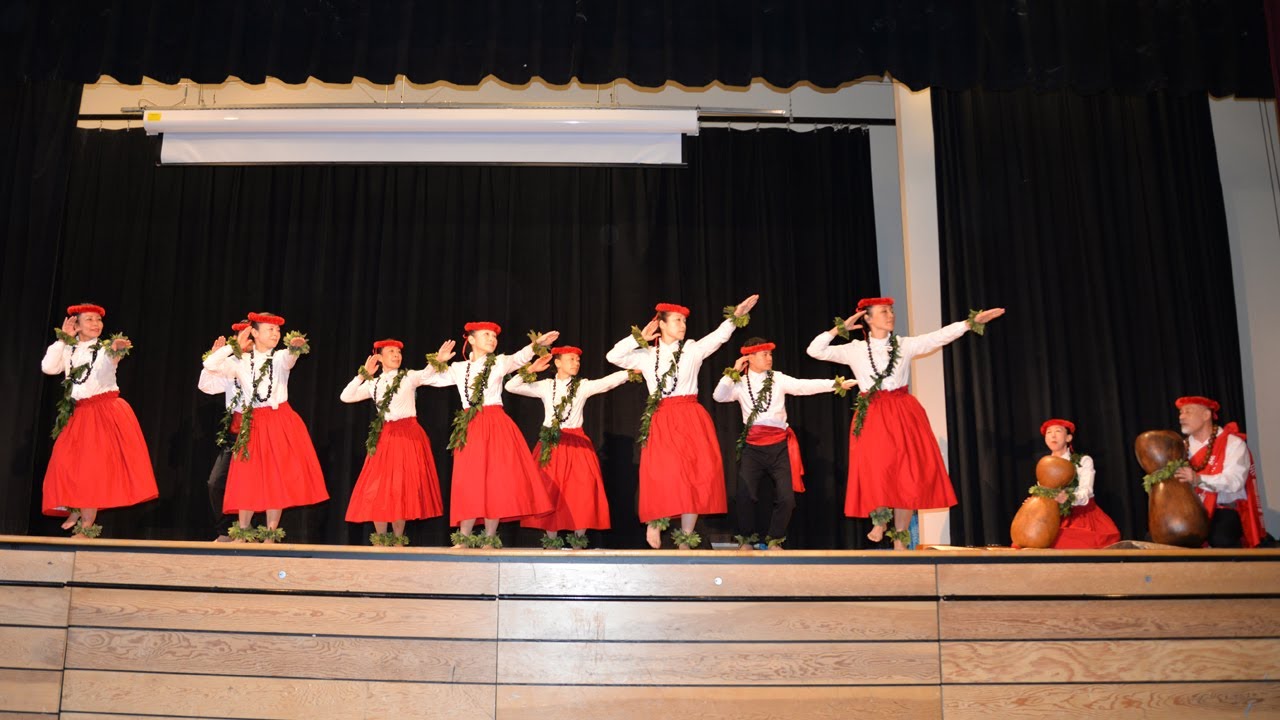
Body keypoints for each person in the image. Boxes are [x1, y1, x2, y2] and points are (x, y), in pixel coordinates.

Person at [807, 297, 1005, 549]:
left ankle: (900, 537)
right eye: (883, 312)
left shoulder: (904, 345)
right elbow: (815, 350)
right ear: (867, 318)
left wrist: (969, 323)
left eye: (891, 311)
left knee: (906, 474)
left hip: (902, 411)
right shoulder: (854, 349)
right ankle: (880, 520)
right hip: (872, 412)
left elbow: (937, 337)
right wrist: (839, 329)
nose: (890, 315)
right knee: (876, 468)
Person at [606, 295, 759, 550]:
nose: (683, 325)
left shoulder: (692, 349)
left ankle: (685, 539)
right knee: (664, 472)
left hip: (690, 415)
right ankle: (656, 520)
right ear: (661, 324)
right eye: (677, 320)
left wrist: (735, 317)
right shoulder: (646, 355)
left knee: (694, 475)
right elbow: (613, 356)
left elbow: (719, 337)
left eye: (685, 321)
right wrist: (638, 338)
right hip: (662, 416)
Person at [422, 322, 559, 548]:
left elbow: (518, 358)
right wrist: (437, 361)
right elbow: (428, 379)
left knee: (496, 479)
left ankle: (490, 538)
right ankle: (463, 537)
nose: (492, 339)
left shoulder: (499, 362)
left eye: (494, 336)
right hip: (469, 426)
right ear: (471, 339)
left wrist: (537, 344)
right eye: (486, 335)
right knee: (468, 480)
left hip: (496, 423)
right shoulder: (458, 368)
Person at [713, 337, 856, 550]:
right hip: (752, 447)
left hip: (779, 445)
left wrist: (834, 384)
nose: (769, 358)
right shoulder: (740, 383)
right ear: (749, 357)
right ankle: (746, 539)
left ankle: (774, 539)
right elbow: (718, 396)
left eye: (770, 354)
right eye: (764, 354)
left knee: (787, 498)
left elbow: (803, 386)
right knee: (744, 496)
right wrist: (733, 371)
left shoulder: (777, 378)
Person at [202, 312, 328, 543]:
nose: (276, 333)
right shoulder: (239, 361)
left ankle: (270, 535)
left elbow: (290, 357)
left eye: (278, 330)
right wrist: (232, 346)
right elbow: (209, 365)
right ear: (254, 333)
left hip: (278, 420)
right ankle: (242, 533)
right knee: (246, 476)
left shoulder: (279, 358)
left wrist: (295, 347)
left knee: (276, 478)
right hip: (252, 423)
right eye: (270, 329)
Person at [41, 303, 158, 538]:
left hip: (102, 413)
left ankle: (86, 527)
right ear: (76, 324)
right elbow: (48, 368)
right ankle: (75, 507)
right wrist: (62, 340)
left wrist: (116, 351)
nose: (96, 324)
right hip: (78, 414)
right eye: (89, 320)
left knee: (91, 470)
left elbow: (109, 363)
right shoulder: (69, 349)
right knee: (64, 463)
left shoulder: (104, 349)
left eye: (98, 320)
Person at [505, 345, 637, 549]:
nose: (576, 363)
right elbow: (511, 386)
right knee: (549, 490)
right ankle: (551, 541)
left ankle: (578, 541)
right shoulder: (546, 386)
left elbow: (605, 383)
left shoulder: (582, 386)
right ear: (557, 362)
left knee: (581, 490)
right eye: (571, 359)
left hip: (577, 444)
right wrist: (531, 369)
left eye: (578, 360)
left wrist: (628, 373)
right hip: (551, 443)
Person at [339, 338, 454, 546]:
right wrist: (363, 375)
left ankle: (399, 539)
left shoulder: (407, 377)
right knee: (379, 487)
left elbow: (425, 374)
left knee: (402, 487)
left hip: (408, 436)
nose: (396, 355)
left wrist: (438, 360)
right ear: (379, 357)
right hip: (385, 436)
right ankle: (381, 539)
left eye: (398, 352)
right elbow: (346, 397)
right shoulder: (373, 384)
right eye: (391, 352)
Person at [1173, 396, 1267, 548]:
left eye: (1188, 411)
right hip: (1190, 511)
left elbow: (1235, 482)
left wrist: (1198, 479)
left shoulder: (1232, 443)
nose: (1181, 417)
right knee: (1158, 536)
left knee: (1221, 538)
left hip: (1223, 509)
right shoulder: (1180, 447)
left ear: (1206, 415)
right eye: (1180, 412)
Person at [197, 320, 250, 541]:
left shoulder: (265, 362)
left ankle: (248, 531)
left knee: (250, 484)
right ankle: (226, 531)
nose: (243, 340)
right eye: (238, 336)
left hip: (259, 430)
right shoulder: (230, 363)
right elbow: (207, 387)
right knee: (216, 483)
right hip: (234, 433)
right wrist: (217, 355)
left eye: (247, 335)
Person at [1039, 418, 1121, 549]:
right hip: (1053, 516)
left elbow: (1086, 491)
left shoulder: (1082, 461)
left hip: (1081, 515)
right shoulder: (1043, 464)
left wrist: (1068, 498)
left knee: (1064, 543)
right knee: (1030, 540)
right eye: (1049, 432)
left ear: (1068, 438)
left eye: (1058, 431)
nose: (1053, 435)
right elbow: (1043, 491)